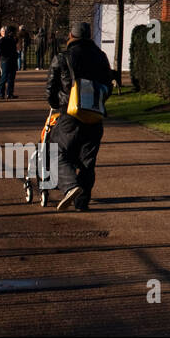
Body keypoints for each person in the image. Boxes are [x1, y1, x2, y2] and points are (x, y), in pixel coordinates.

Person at [45, 22, 115, 212]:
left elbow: (50, 89)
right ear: (89, 36)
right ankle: (82, 202)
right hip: (94, 114)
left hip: (70, 113)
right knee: (88, 160)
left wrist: (56, 104)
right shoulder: (101, 57)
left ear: (70, 36)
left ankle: (70, 186)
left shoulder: (63, 57)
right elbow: (108, 86)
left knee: (55, 152)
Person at [0, 26, 18, 99]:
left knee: (9, 77)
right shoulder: (5, 40)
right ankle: (6, 93)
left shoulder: (6, 40)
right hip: (7, 60)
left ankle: (6, 93)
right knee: (6, 77)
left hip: (7, 59)